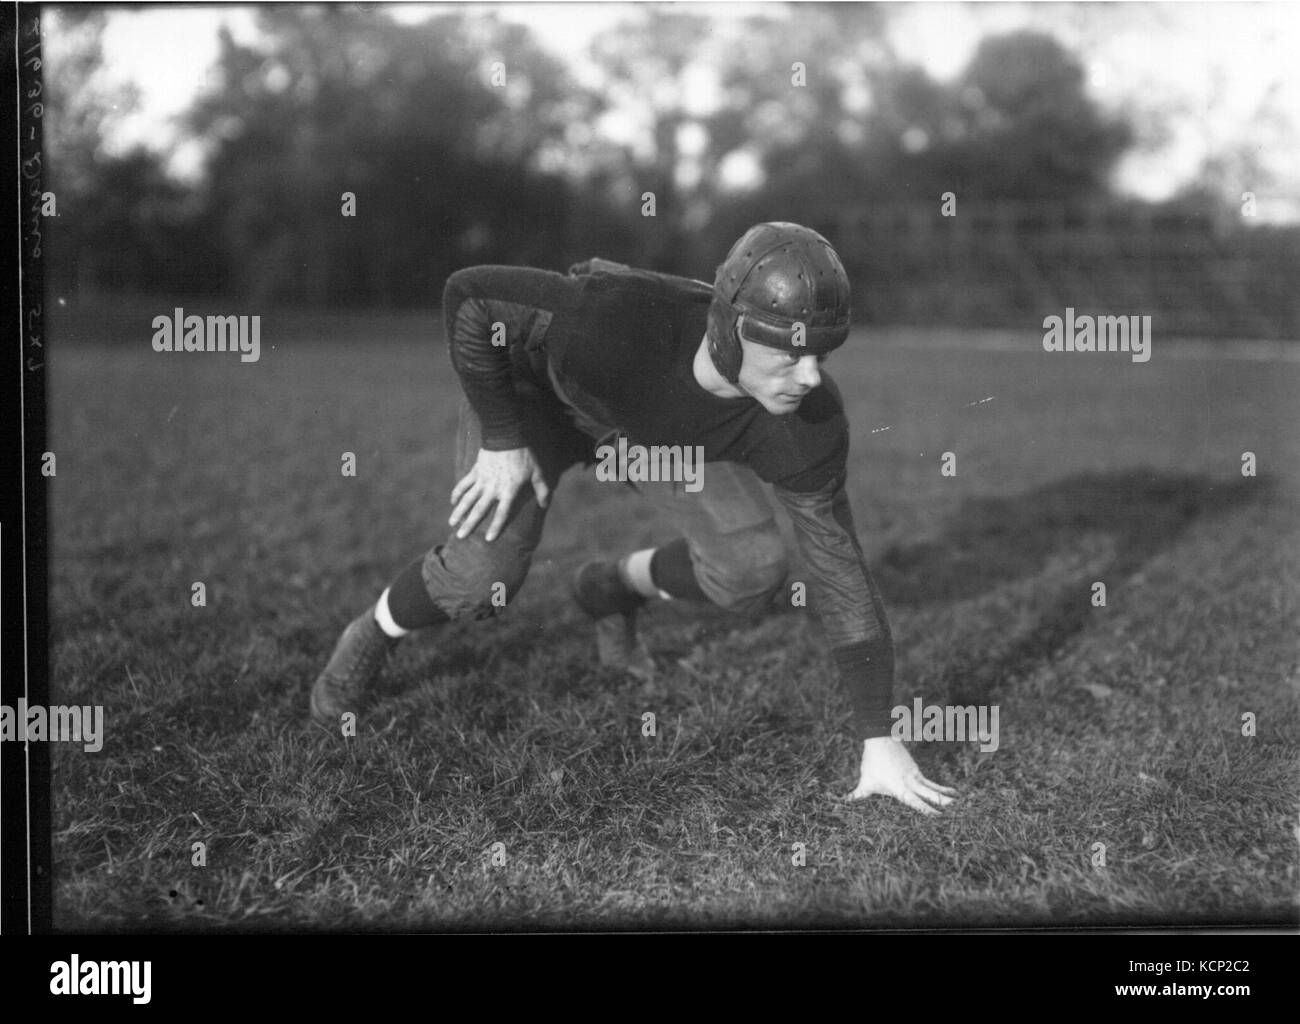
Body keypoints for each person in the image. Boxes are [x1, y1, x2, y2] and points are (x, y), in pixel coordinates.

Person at [310, 221, 957, 815]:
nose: (811, 377)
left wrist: (879, 737)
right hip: (541, 398)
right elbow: (472, 296)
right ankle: (372, 631)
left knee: (752, 569)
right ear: (730, 329)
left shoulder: (804, 424)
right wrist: (503, 439)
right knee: (480, 578)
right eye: (790, 355)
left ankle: (610, 588)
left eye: (822, 354)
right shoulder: (615, 324)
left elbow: (839, 570)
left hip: (646, 437)